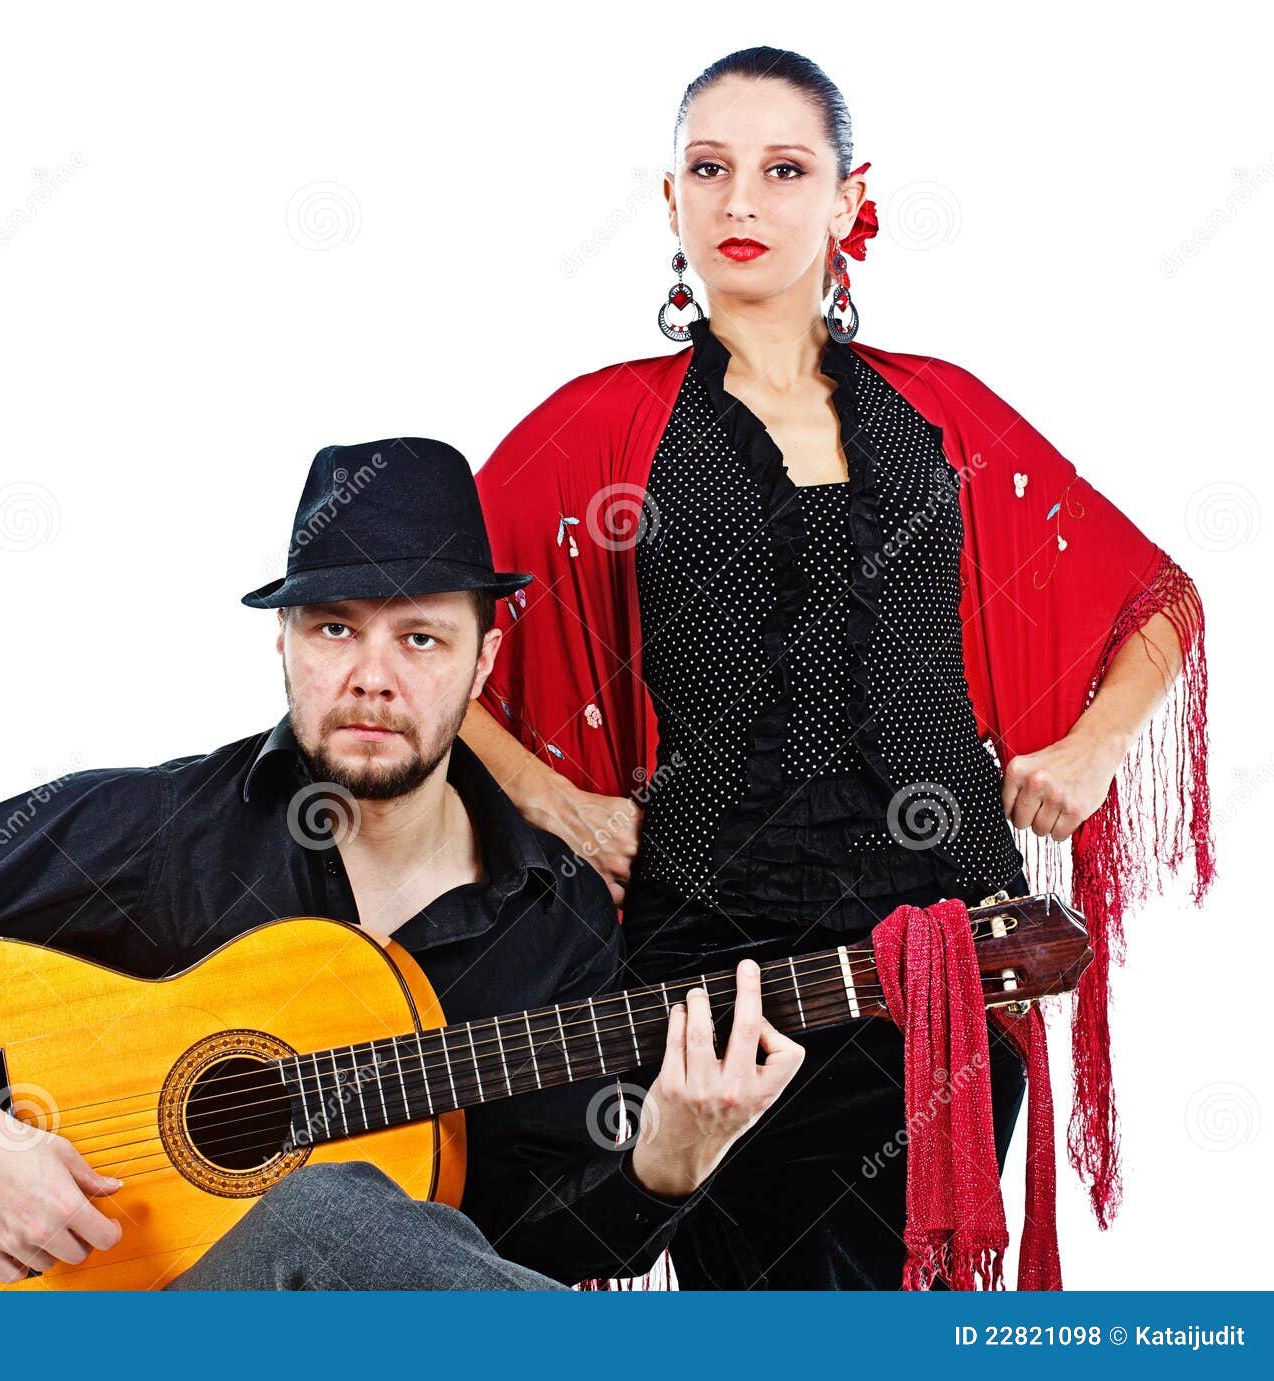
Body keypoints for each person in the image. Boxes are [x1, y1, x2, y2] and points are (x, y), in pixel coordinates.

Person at [459, 48, 1213, 1289]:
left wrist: (1093, 746)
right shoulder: (602, 424)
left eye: (782, 170)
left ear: (851, 198)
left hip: (949, 947)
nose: (741, 204)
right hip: (710, 957)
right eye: (710, 170)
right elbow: (416, 622)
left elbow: (1155, 599)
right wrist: (545, 797)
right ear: (669, 204)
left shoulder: (943, 414)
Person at [0, 435, 806, 1290]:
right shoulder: (173, 825)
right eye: (335, 629)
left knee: (359, 1221)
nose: (372, 677)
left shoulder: (554, 911)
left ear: (486, 660)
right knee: (332, 1207)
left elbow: (517, 1258)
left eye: (423, 640)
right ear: (285, 645)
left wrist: (663, 1168)